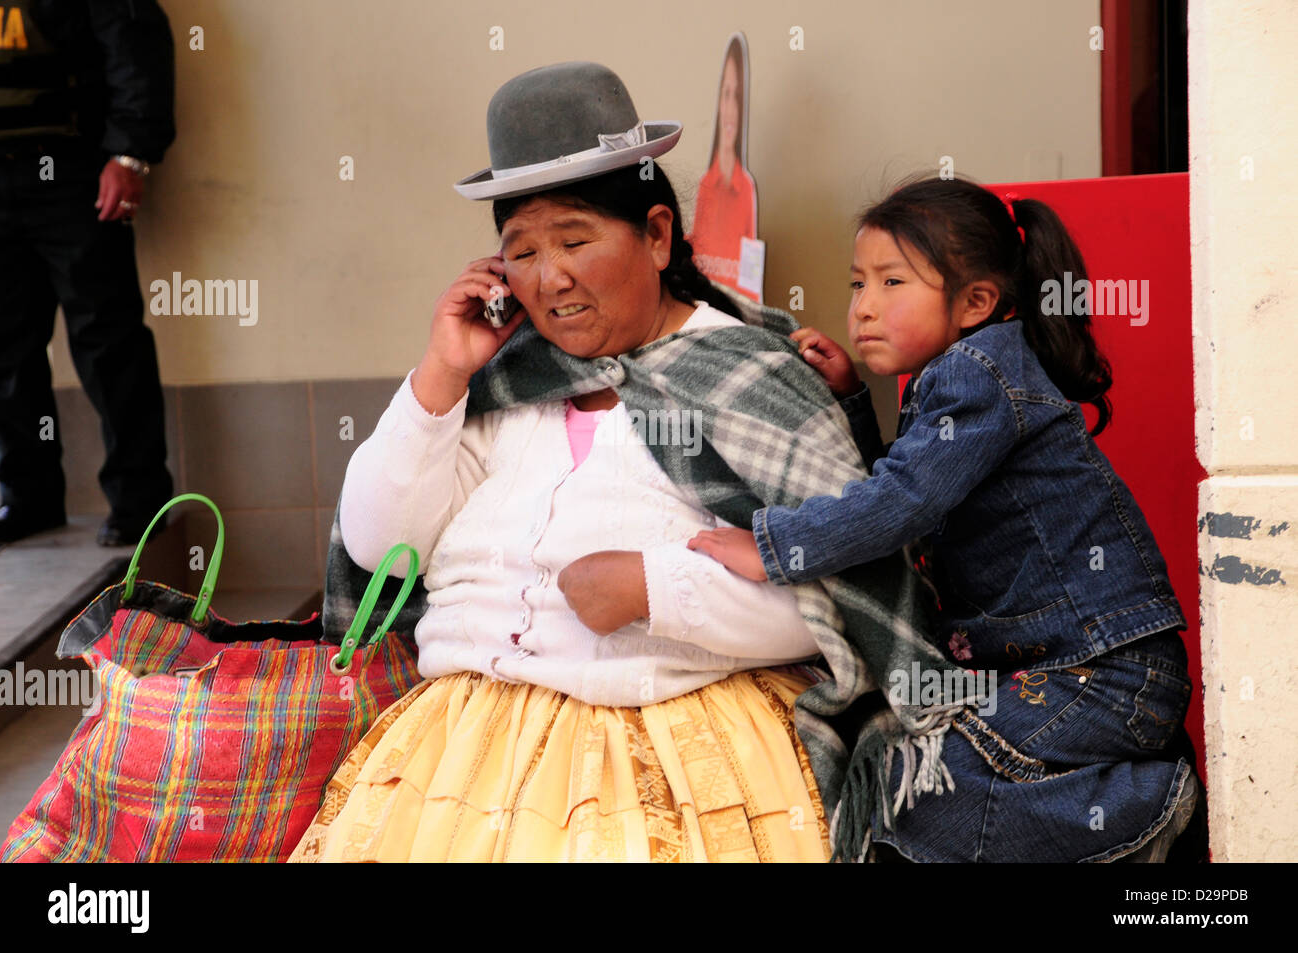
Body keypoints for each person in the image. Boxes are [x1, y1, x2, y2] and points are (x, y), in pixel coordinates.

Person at [290, 62, 847, 862]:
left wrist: (654, 588)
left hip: (684, 753)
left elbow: (835, 604)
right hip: (457, 764)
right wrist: (442, 372)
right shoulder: (499, 387)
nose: (550, 278)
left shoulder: (748, 381)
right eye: (521, 251)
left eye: (576, 241)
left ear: (657, 236)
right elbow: (380, 545)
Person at [688, 176, 1205, 862]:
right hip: (1069, 678)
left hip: (1104, 676)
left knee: (910, 783)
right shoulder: (961, 376)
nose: (864, 308)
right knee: (893, 765)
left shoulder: (978, 370)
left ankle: (1147, 806)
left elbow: (903, 502)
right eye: (856, 285)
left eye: (892, 283)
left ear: (976, 302)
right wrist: (850, 399)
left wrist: (774, 545)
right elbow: (911, 488)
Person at [0, 0, 176, 546]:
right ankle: (27, 498)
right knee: (4, 346)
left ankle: (139, 504)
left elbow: (134, 42)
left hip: (71, 167)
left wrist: (130, 154)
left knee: (107, 342)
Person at [688, 35, 758, 298]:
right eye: (726, 95)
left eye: (737, 97)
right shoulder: (706, 183)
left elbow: (752, 286)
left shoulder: (746, 188)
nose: (730, 108)